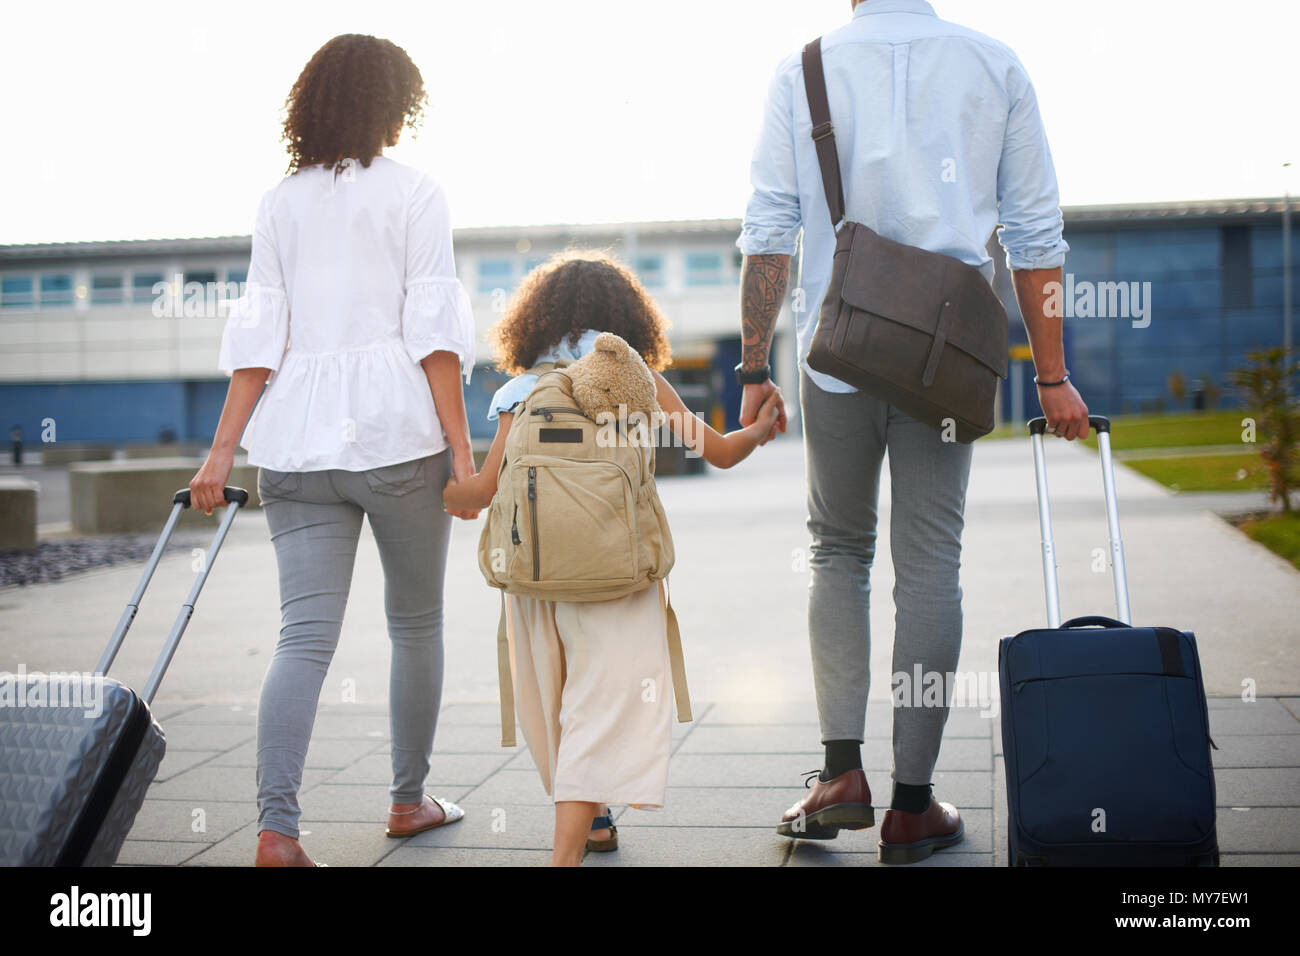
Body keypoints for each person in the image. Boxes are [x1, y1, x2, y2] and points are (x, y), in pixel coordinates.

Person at [736, 0, 1091, 863]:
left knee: (838, 552)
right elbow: (1036, 233)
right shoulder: (994, 63)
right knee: (931, 559)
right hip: (948, 360)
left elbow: (770, 231)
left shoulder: (806, 66)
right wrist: (1052, 375)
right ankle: (913, 806)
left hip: (840, 355)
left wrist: (753, 368)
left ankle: (839, 774)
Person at [188, 34, 478, 867]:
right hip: (397, 439)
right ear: (396, 104)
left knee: (302, 639)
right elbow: (434, 338)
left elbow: (259, 343)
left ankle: (277, 831)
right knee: (416, 623)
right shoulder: (416, 194)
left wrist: (219, 455)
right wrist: (462, 453)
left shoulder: (280, 202)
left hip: (296, 447)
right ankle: (406, 800)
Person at [444, 252, 781, 866]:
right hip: (620, 578)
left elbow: (483, 489)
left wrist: (440, 489)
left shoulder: (524, 391)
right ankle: (568, 851)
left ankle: (590, 824)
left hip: (537, 578)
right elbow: (722, 453)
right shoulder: (638, 381)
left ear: (534, 323)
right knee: (600, 708)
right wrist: (759, 428)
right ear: (628, 318)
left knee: (560, 702)